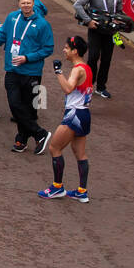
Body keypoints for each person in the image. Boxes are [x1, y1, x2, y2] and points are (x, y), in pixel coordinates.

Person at [0, 0, 55, 153]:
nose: (26, 5)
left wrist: (27, 58)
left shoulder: (42, 24)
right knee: (15, 104)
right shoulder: (11, 18)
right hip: (12, 70)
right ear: (19, 3)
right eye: (23, 3)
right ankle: (40, 133)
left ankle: (21, 139)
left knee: (29, 108)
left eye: (28, 3)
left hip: (31, 72)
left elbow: (48, 48)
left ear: (33, 3)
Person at [38, 35, 94, 202]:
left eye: (67, 48)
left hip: (74, 115)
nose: (64, 50)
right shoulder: (87, 67)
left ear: (75, 51)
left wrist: (58, 72)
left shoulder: (77, 69)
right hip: (84, 114)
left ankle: (57, 187)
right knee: (80, 153)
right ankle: (82, 191)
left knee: (54, 148)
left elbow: (68, 88)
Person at [73, 0, 122, 98]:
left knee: (106, 60)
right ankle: (88, 84)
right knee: (93, 57)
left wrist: (117, 20)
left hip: (110, 33)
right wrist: (88, 21)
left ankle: (101, 87)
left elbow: (119, 12)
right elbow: (77, 5)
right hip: (95, 30)